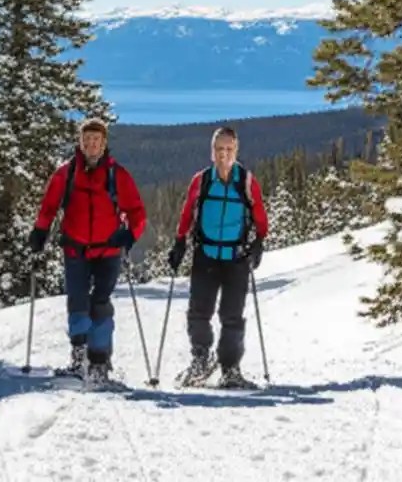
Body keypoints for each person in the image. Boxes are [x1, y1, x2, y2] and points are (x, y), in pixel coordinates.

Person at [28, 117, 147, 384]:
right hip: (75, 250)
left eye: (96, 140)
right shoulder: (66, 173)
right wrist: (40, 232)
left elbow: (137, 212)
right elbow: (49, 206)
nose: (91, 144)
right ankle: (79, 356)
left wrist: (129, 235)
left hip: (108, 252)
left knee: (100, 304)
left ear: (104, 144)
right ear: (80, 143)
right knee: (78, 303)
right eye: (87, 140)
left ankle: (99, 362)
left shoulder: (118, 175)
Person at [166, 126, 268, 388]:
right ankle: (201, 359)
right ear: (212, 151)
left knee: (232, 315)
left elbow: (260, 216)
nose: (224, 154)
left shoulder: (246, 180)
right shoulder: (201, 180)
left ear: (236, 151)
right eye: (219, 149)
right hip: (206, 254)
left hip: (236, 256)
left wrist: (258, 242)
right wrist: (179, 242)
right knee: (199, 312)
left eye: (229, 149)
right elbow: (187, 213)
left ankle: (230, 369)